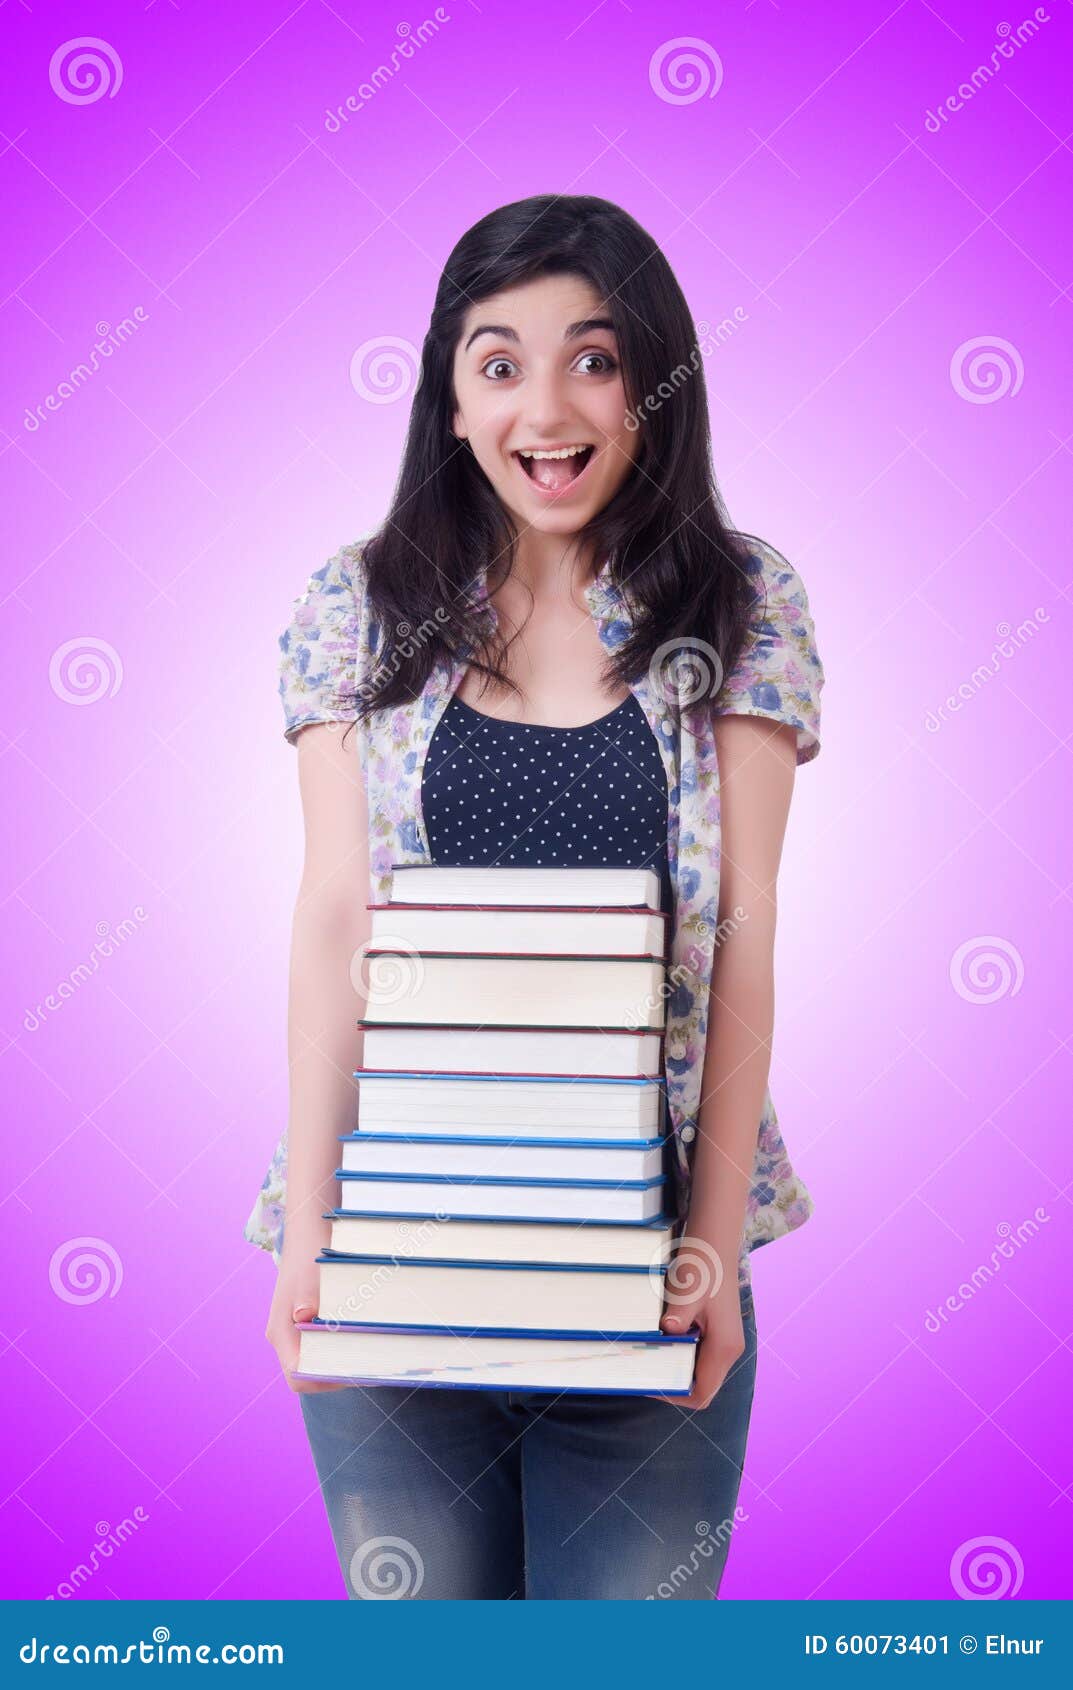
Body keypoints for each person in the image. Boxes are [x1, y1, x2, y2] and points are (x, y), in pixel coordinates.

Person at [245, 194, 825, 1600]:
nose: (546, 406)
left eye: (596, 357)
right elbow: (333, 924)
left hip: (646, 1271)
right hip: (393, 1258)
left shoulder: (742, 601)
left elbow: (740, 933)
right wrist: (312, 1234)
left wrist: (704, 1248)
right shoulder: (358, 605)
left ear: (654, 384)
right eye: (498, 362)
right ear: (449, 399)